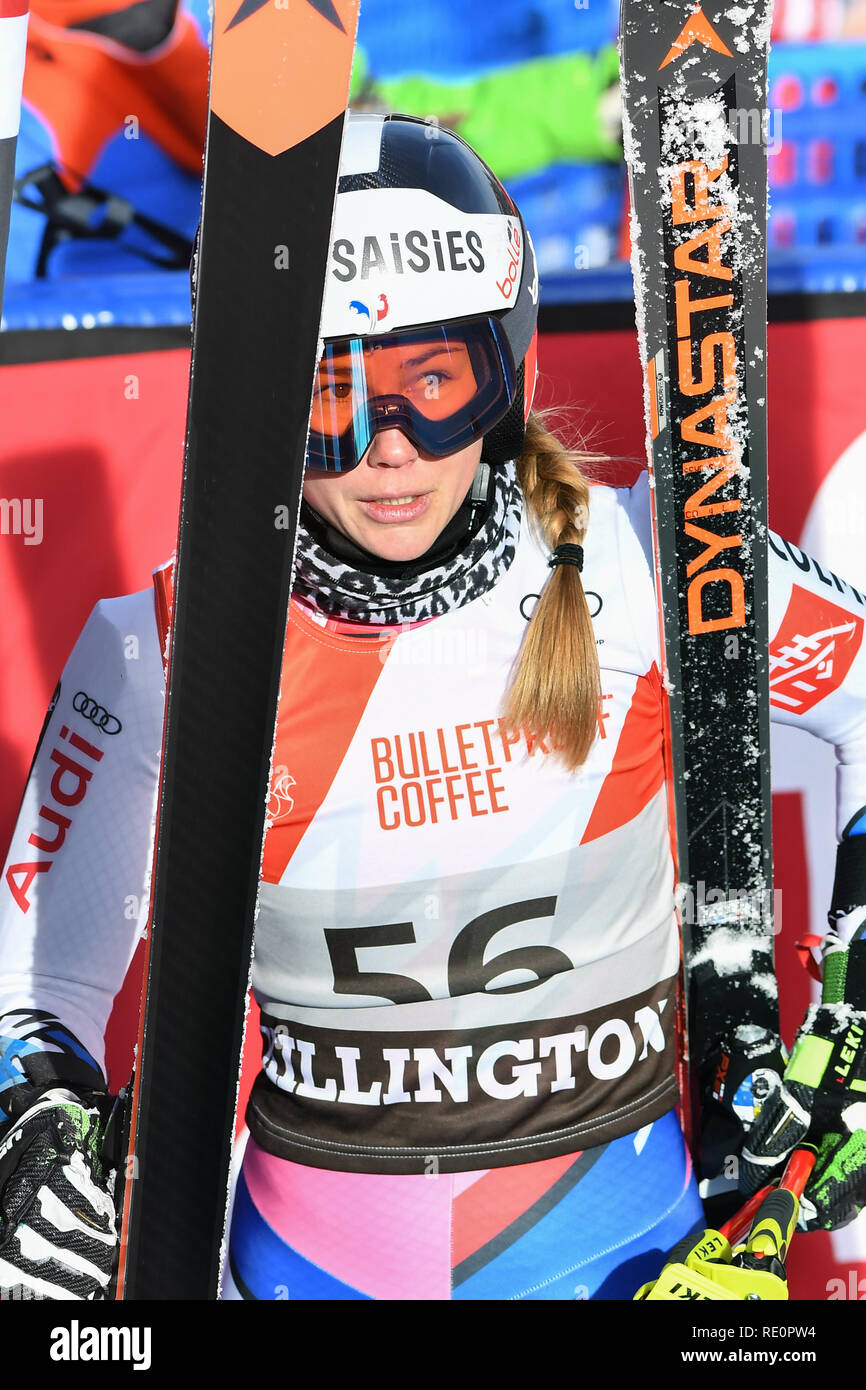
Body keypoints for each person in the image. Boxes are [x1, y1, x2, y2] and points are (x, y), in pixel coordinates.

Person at [1, 113, 865, 1302]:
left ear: (498, 370)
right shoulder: (157, 648)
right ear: (256, 403)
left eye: (433, 384)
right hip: (303, 1274)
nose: (391, 449)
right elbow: (34, 980)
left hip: (638, 1269)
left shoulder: (648, 564)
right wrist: (34, 1120)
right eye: (330, 398)